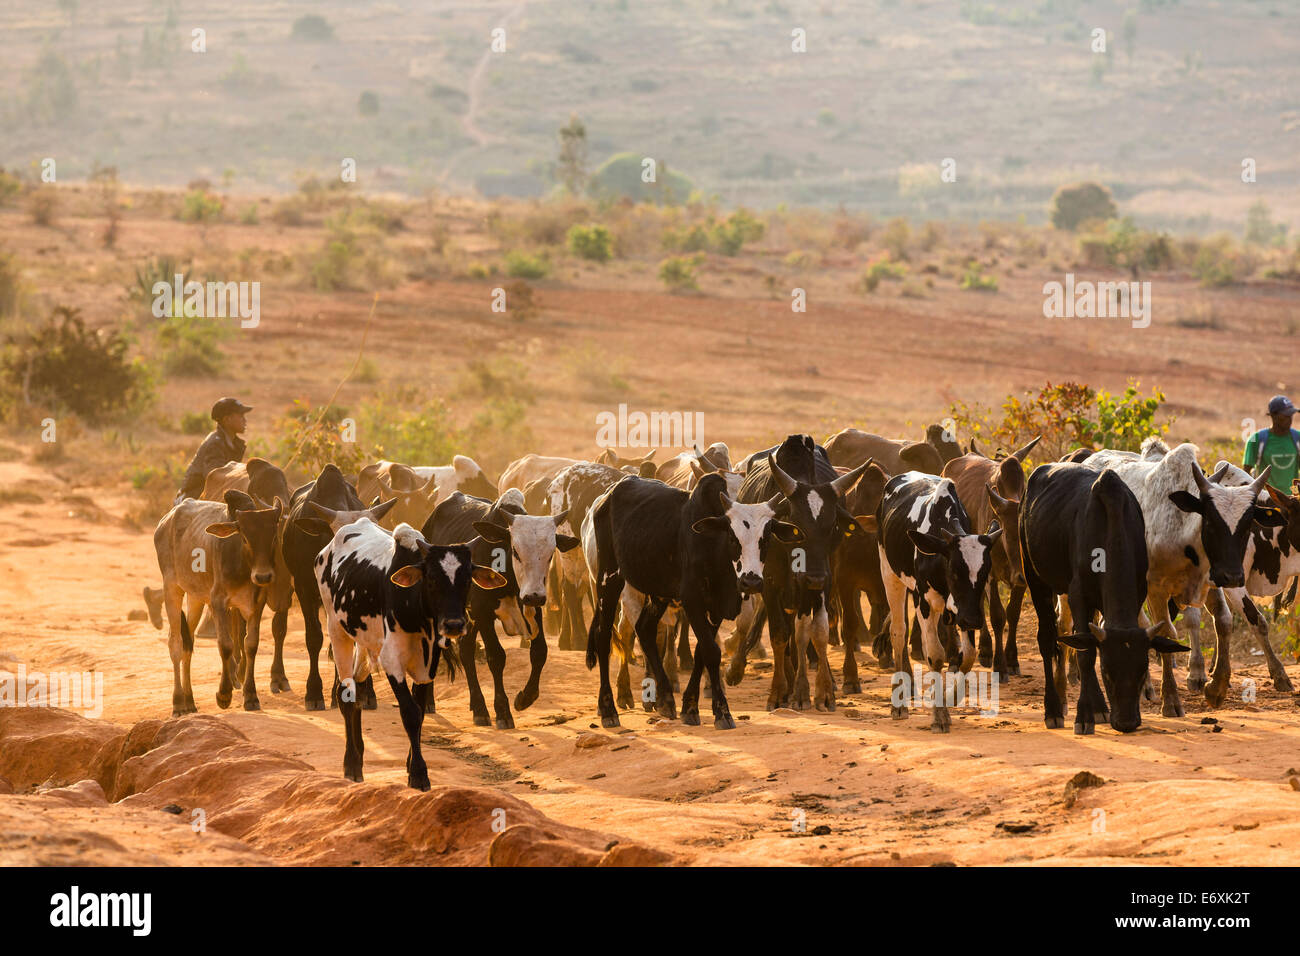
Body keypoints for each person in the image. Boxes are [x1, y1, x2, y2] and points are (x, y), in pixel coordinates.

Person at [176, 397, 252, 504]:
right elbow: (215, 478)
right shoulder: (215, 444)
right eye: (240, 416)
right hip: (193, 498)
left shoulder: (233, 443)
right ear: (227, 420)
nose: (245, 420)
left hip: (208, 495)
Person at [1243, 394, 1300, 493]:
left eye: (1291, 415)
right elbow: (1245, 475)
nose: (1289, 419)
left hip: (1291, 502)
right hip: (1264, 500)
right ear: (1273, 415)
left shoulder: (1298, 438)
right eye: (1285, 415)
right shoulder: (1256, 440)